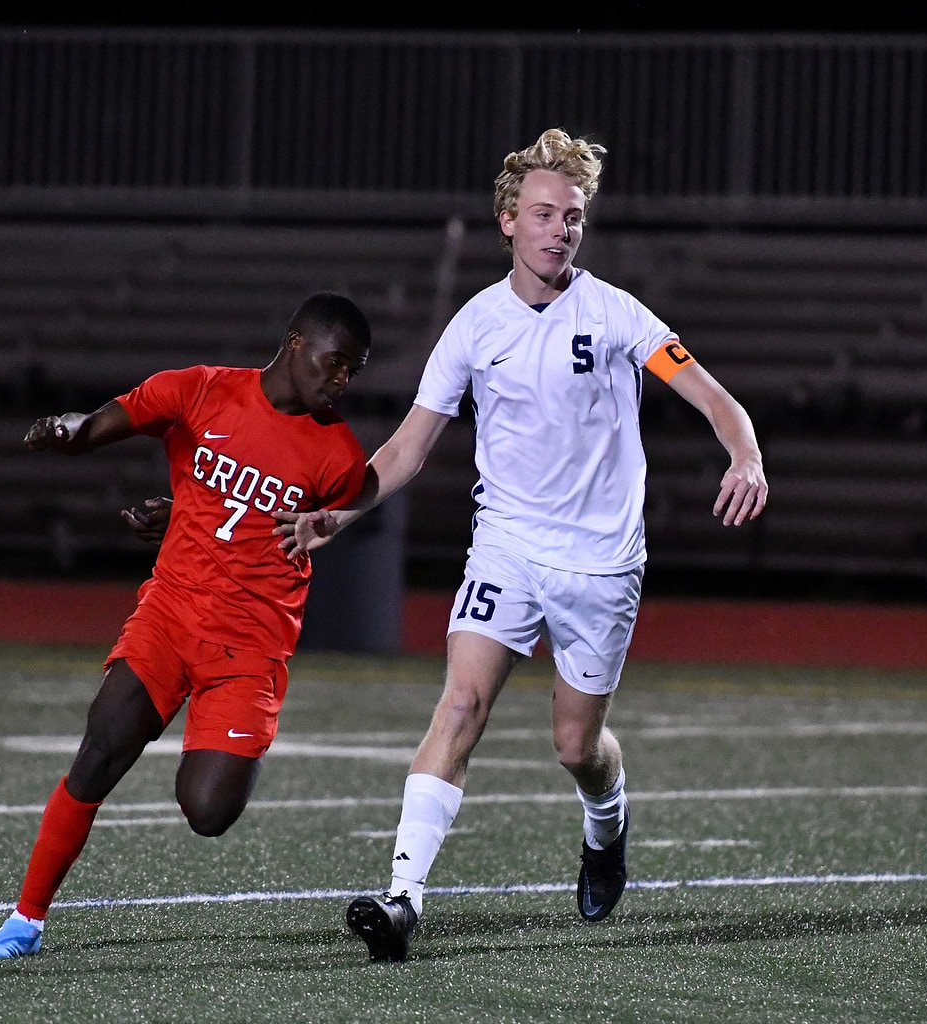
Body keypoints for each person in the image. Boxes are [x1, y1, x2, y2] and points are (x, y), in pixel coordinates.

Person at [272, 129, 768, 962]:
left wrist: (746, 453)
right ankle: (401, 900)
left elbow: (716, 399)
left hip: (603, 564)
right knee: (460, 706)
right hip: (505, 547)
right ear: (508, 221)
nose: (559, 230)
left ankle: (606, 825)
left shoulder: (616, 314)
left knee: (576, 746)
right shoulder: (475, 327)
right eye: (542, 214)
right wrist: (340, 513)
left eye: (572, 216)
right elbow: (406, 449)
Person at [0, 292, 371, 959]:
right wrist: (68, 432)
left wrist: (200, 507)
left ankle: (236, 739)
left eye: (351, 371)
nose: (341, 381)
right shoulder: (200, 390)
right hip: (171, 613)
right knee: (98, 751)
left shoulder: (339, 457)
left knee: (207, 812)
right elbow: (98, 425)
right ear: (296, 343)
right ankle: (25, 920)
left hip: (251, 644)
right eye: (335, 363)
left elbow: (315, 519)